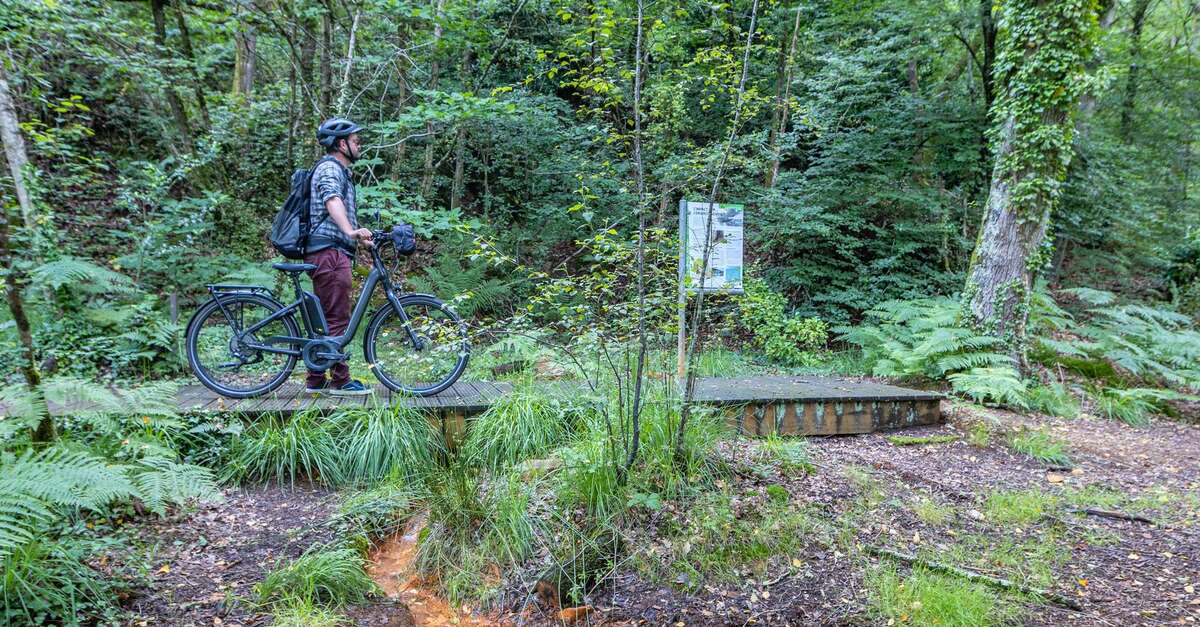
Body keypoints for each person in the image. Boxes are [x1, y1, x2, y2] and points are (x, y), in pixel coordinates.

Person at [304, 117, 374, 395]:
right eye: (357, 142)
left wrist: (359, 237)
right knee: (336, 317)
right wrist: (350, 230)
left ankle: (316, 379)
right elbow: (332, 200)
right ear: (341, 144)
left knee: (327, 316)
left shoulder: (340, 171)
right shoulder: (330, 169)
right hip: (329, 251)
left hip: (330, 249)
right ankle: (341, 381)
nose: (360, 147)